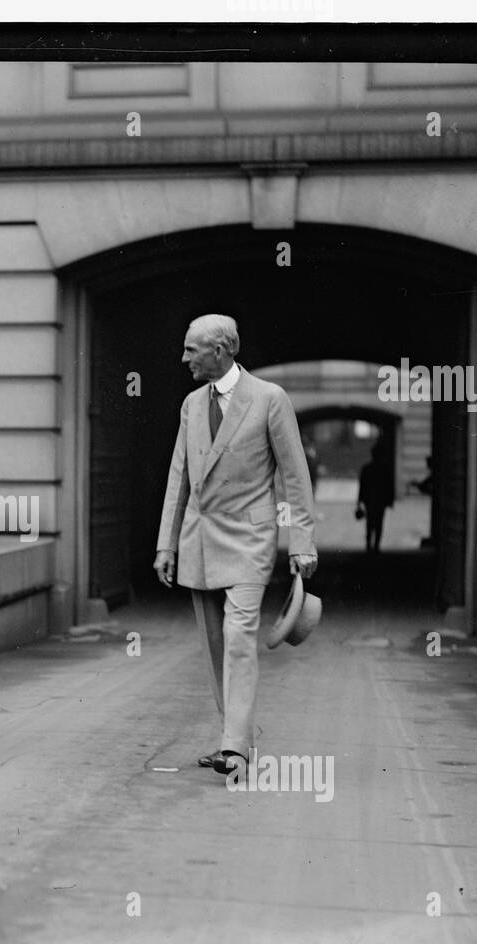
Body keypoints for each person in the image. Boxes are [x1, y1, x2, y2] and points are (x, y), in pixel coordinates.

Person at [153, 314, 318, 776]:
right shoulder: (190, 404)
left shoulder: (269, 399)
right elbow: (178, 476)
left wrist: (302, 541)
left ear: (221, 351)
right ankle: (236, 740)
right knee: (213, 645)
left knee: (238, 637)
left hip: (250, 539)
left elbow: (295, 474)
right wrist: (166, 544)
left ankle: (235, 750)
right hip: (198, 539)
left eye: (191, 350)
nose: (183, 358)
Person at [356, 441, 394, 554]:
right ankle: (376, 546)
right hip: (380, 500)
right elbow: (389, 486)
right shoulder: (385, 469)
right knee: (379, 523)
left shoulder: (367, 468)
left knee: (370, 523)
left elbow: (362, 486)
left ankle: (369, 545)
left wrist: (359, 501)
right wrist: (389, 500)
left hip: (370, 500)